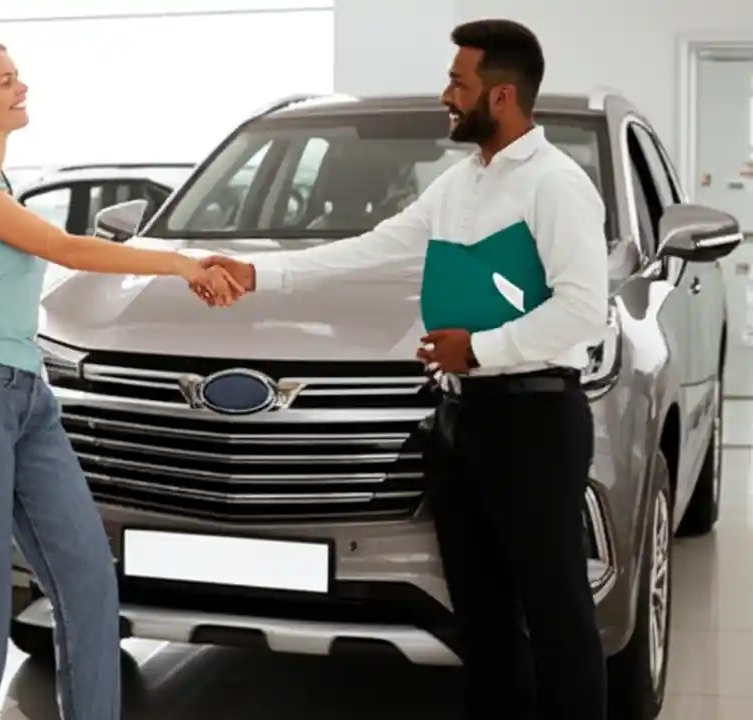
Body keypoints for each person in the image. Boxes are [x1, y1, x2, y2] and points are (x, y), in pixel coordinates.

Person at [196, 19, 609, 720]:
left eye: (459, 81)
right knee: (481, 617)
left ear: (502, 96)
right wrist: (255, 272)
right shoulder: (461, 185)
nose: (446, 94)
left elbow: (582, 312)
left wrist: (477, 350)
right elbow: (370, 248)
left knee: (557, 611)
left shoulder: (556, 185)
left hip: (535, 422)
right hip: (461, 421)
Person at [0, 40, 243, 720]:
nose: (21, 87)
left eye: (18, 77)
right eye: (5, 81)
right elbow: (65, 248)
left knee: (89, 578)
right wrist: (181, 264)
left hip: (27, 396)